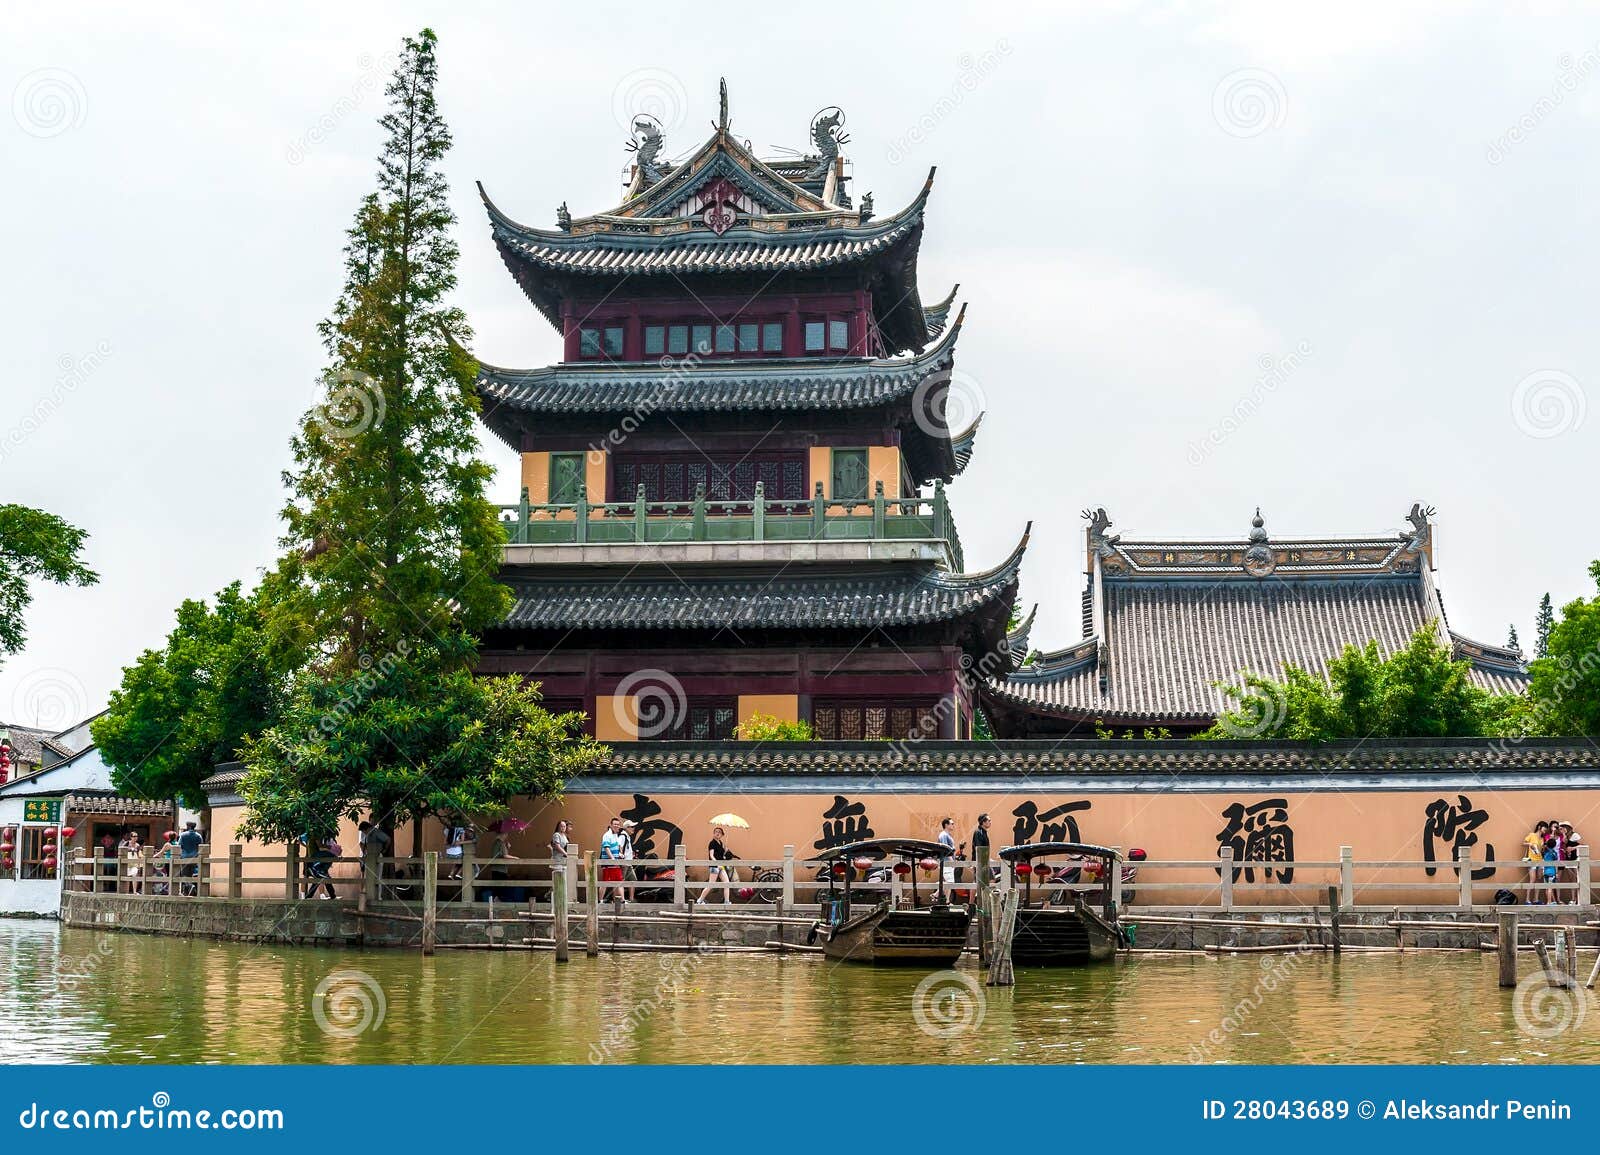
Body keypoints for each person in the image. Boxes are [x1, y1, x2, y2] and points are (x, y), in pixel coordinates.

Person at [697, 826, 736, 904]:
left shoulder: (721, 843)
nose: (717, 833)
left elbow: (726, 854)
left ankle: (727, 901)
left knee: (726, 883)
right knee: (711, 885)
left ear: (722, 835)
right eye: (716, 832)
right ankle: (700, 900)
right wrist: (716, 863)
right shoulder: (712, 843)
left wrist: (727, 855)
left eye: (719, 832)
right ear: (714, 833)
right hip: (714, 866)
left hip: (721, 866)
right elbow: (711, 855)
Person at [600, 817, 628, 903]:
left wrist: (619, 854)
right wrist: (612, 859)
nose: (617, 826)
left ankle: (619, 900)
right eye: (615, 824)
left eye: (618, 825)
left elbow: (615, 848)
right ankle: (601, 900)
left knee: (617, 881)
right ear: (611, 825)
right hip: (609, 862)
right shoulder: (607, 835)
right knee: (608, 881)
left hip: (615, 862)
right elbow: (607, 848)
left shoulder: (615, 835)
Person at [1525, 821, 1550, 903]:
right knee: (1532, 879)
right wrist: (1530, 844)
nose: (1545, 830)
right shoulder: (1532, 835)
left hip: (1540, 859)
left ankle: (1536, 899)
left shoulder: (1543, 838)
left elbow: (1542, 850)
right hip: (1532, 859)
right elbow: (1523, 843)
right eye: (1544, 827)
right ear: (1539, 827)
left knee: (1539, 878)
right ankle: (1527, 900)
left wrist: (1544, 847)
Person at [177, 820, 203, 896]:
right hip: (195, 857)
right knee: (193, 873)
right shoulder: (198, 836)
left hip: (184, 857)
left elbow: (179, 845)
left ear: (188, 826)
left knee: (185, 874)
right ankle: (189, 890)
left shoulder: (183, 835)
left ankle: (190, 886)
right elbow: (201, 846)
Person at [937, 817, 957, 895]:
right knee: (950, 882)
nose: (953, 825)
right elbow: (945, 849)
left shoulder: (947, 835)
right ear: (946, 825)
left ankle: (946, 901)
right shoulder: (944, 835)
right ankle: (937, 895)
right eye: (952, 824)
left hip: (948, 862)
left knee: (949, 882)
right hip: (946, 862)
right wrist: (952, 861)